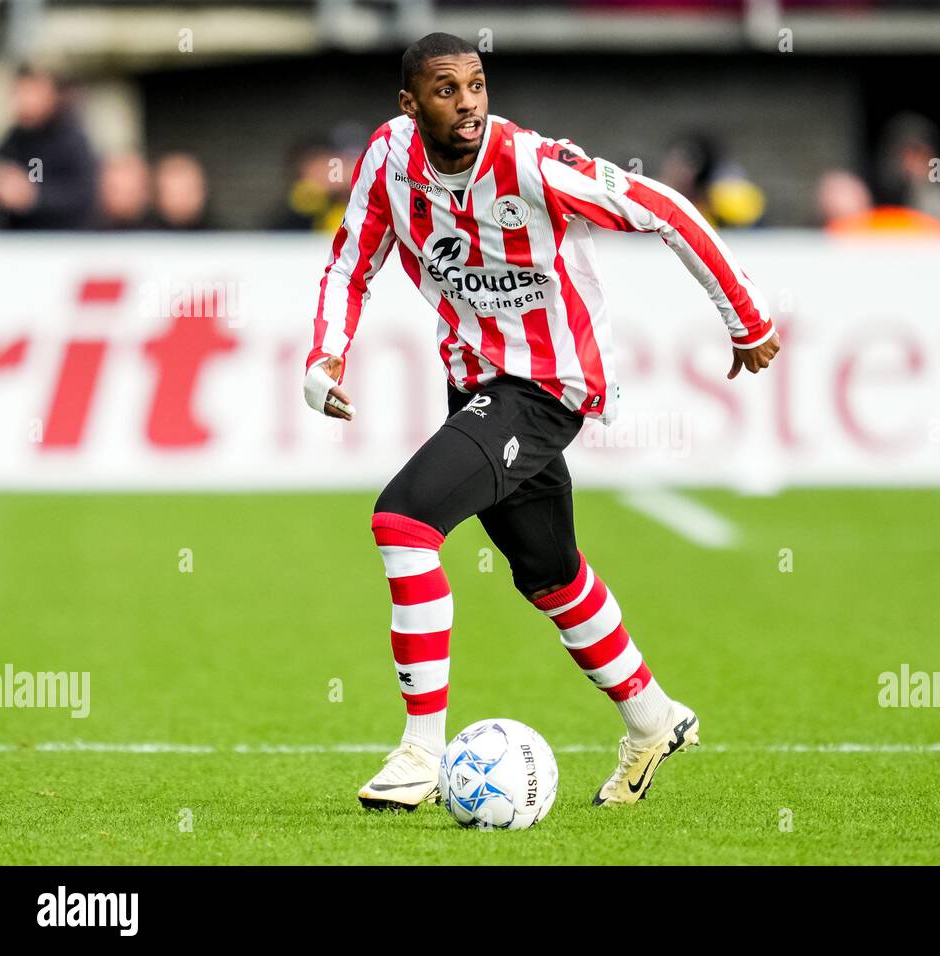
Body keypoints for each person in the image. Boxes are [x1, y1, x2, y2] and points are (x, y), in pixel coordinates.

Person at [301, 33, 780, 811]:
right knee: (551, 575)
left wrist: (747, 318)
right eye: (448, 90)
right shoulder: (388, 159)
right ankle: (654, 721)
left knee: (403, 521)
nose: (469, 104)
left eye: (478, 85)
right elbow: (353, 260)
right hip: (474, 385)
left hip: (549, 384)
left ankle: (421, 748)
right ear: (409, 103)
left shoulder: (531, 163)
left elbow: (666, 209)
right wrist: (326, 357)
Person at [0, 67, 96, 229]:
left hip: (62, 239)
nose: (25, 101)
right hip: (19, 239)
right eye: (20, 93)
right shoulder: (15, 137)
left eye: (32, 93)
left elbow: (83, 193)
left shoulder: (71, 140)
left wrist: (35, 196)